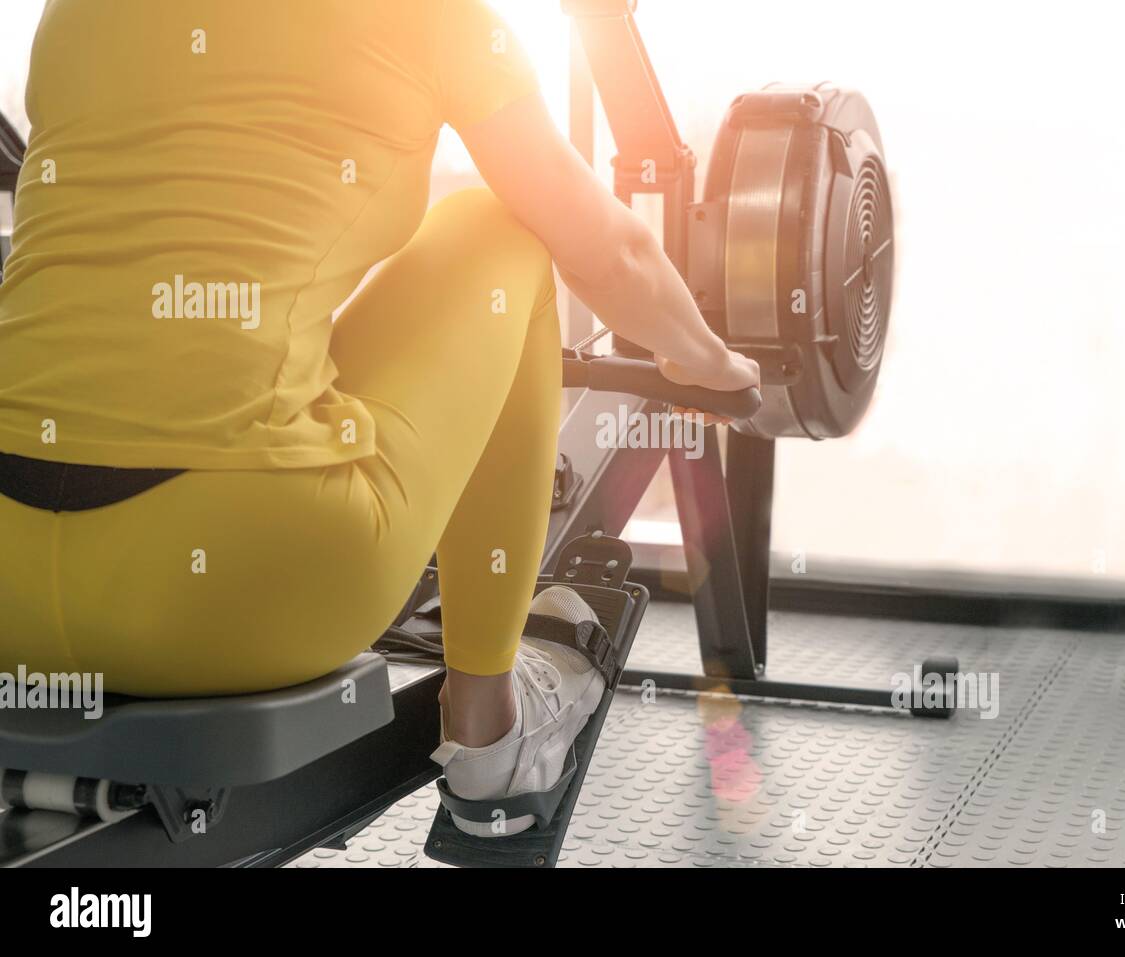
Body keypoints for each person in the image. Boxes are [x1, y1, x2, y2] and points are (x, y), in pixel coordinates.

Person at [0, 0, 757, 835]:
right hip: (234, 587)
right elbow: (607, 250)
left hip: (11, 594)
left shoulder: (73, 13)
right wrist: (708, 361)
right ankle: (490, 736)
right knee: (503, 230)